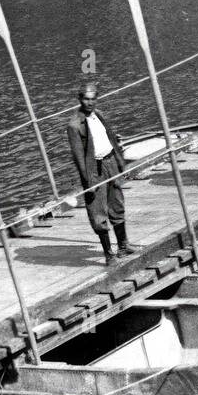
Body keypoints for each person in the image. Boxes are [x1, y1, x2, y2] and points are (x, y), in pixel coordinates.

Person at [65, 83, 134, 265]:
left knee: (117, 202)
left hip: (109, 161)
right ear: (80, 99)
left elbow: (110, 138)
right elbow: (79, 156)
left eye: (93, 99)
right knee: (98, 210)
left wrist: (119, 161)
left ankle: (123, 245)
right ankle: (109, 253)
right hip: (94, 168)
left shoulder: (99, 115)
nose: (90, 102)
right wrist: (89, 181)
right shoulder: (74, 125)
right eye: (86, 99)